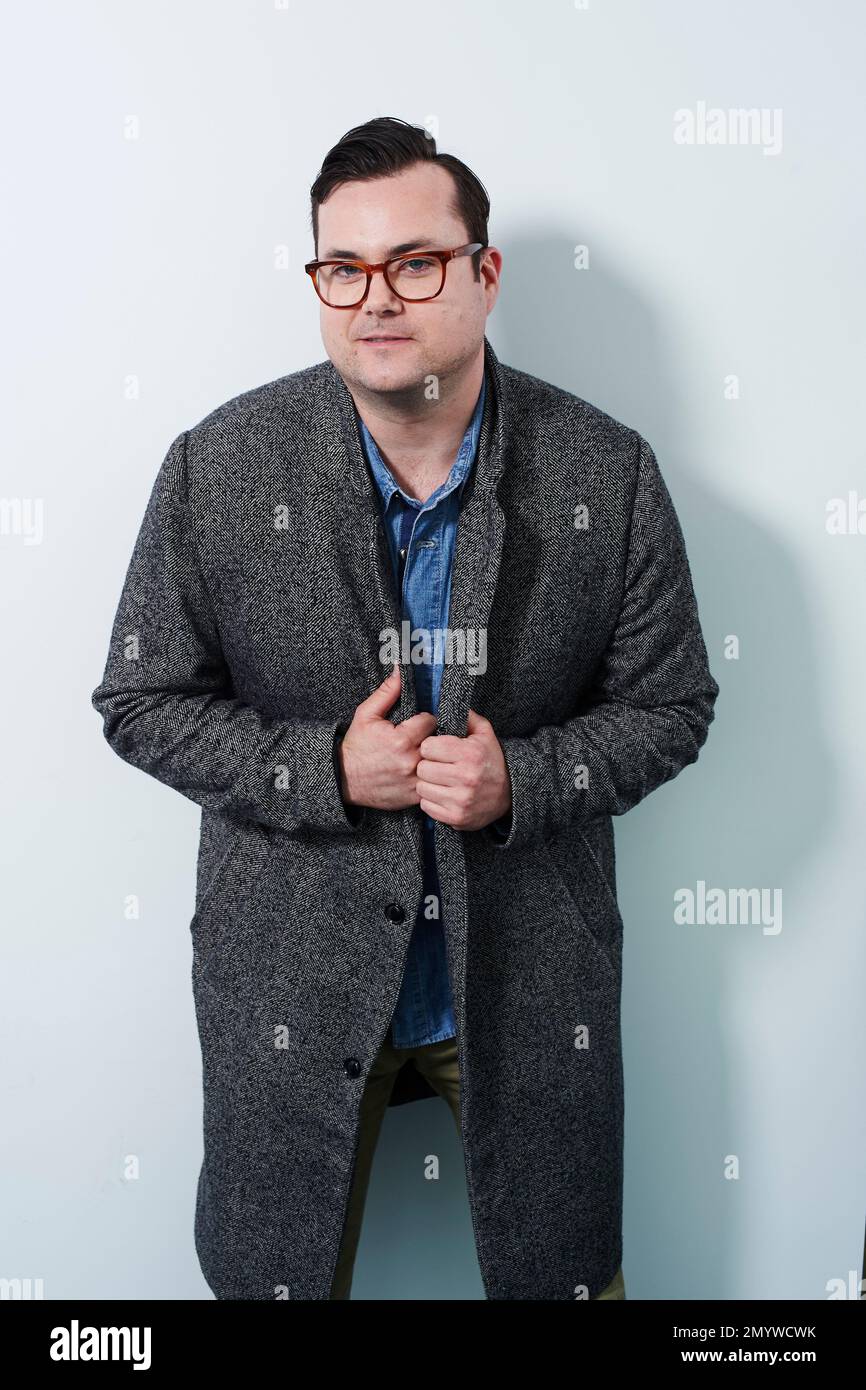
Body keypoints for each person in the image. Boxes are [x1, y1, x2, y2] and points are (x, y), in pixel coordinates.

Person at [91, 115, 718, 1301]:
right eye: (343, 268)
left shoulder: (607, 470)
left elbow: (670, 702)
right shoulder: (215, 467)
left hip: (529, 982)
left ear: (484, 275)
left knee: (570, 1283)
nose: (376, 298)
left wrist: (523, 781)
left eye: (416, 262)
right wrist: (321, 769)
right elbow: (138, 696)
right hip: (287, 975)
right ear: (319, 282)